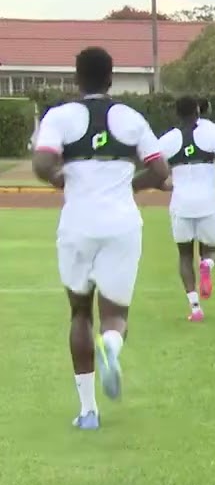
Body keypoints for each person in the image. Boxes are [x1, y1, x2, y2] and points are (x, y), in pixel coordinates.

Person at [31, 47, 170, 430]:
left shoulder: (59, 116)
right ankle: (111, 345)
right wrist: (127, 186)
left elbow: (42, 164)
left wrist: (66, 179)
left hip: (78, 222)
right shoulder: (131, 118)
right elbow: (160, 170)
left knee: (79, 312)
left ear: (77, 79)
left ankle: (89, 411)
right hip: (122, 224)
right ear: (111, 79)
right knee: (115, 315)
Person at [157, 96, 215, 321]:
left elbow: (150, 165)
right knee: (211, 250)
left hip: (181, 203)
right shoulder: (212, 133)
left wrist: (163, 184)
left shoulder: (168, 139)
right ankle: (207, 265)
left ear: (177, 113)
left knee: (184, 255)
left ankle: (195, 308)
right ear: (198, 111)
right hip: (208, 202)